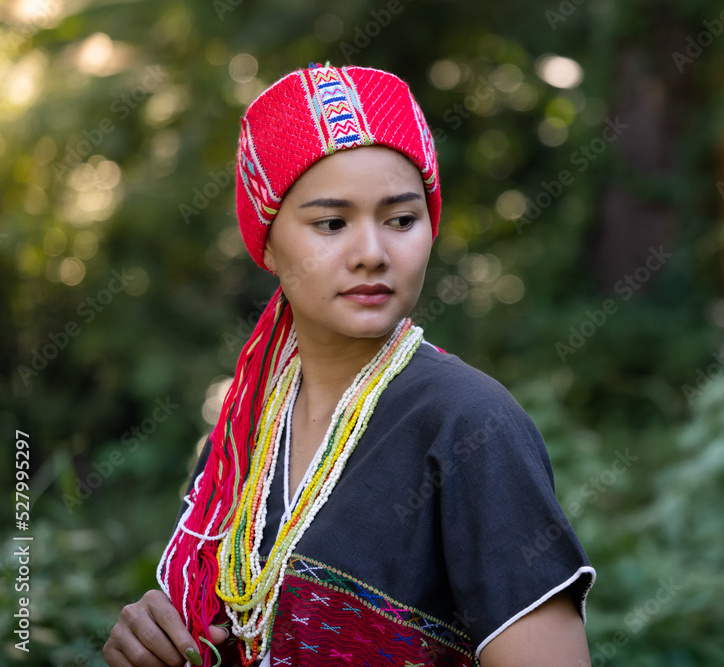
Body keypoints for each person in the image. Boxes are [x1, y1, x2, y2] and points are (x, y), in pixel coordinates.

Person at [105, 63, 595, 667]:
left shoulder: (469, 424)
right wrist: (157, 640)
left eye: (401, 220)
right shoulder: (241, 440)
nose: (371, 254)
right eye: (331, 223)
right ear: (267, 237)